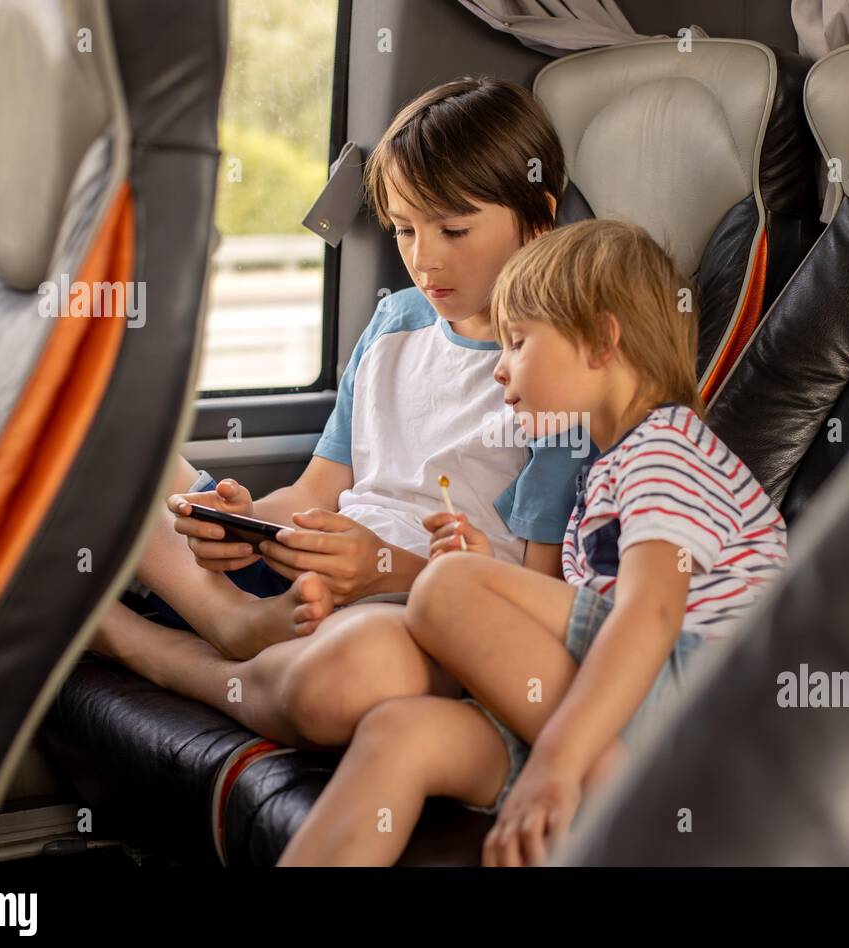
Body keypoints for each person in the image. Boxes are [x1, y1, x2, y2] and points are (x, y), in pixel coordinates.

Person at [91, 77, 588, 751]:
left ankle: (161, 648)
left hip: (416, 607)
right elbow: (314, 492)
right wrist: (249, 521)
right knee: (103, 451)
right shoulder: (394, 323)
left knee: (344, 683)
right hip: (312, 577)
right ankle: (234, 621)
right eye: (406, 229)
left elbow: (537, 597)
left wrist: (383, 567)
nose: (423, 257)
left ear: (537, 217)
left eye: (454, 229)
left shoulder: (558, 373)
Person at [277, 219, 788, 866]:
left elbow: (651, 612)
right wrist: (490, 579)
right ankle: (609, 780)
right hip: (615, 712)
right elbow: (575, 619)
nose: (500, 369)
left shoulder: (668, 450)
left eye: (518, 342)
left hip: (698, 713)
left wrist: (556, 761)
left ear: (602, 341)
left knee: (444, 588)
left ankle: (621, 791)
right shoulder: (606, 470)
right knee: (400, 732)